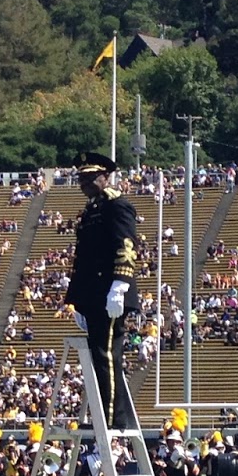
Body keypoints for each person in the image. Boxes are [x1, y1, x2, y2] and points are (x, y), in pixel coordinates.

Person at [65, 151, 138, 430]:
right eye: (80, 178)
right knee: (99, 355)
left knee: (106, 354)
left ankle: (111, 418)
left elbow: (127, 246)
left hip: (109, 292)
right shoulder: (92, 210)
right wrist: (77, 301)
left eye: (89, 177)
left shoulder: (116, 206)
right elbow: (83, 259)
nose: (83, 183)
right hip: (93, 295)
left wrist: (119, 285)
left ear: (105, 176)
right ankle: (105, 414)